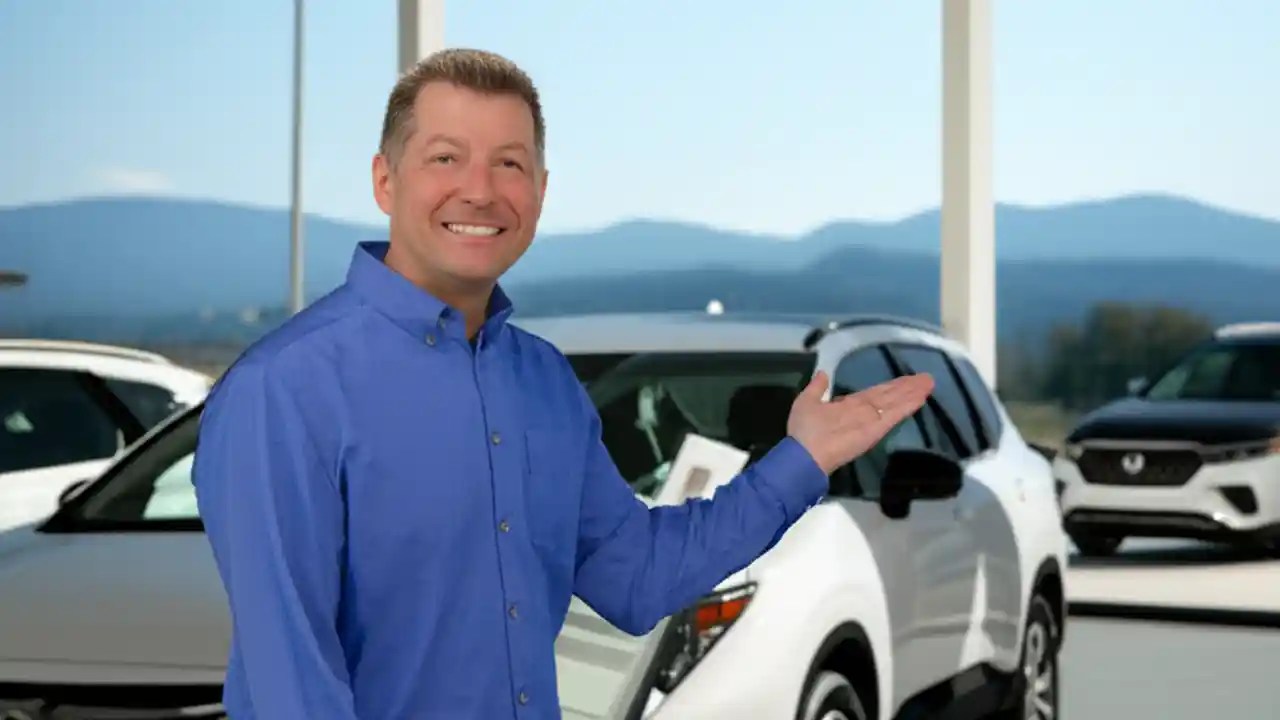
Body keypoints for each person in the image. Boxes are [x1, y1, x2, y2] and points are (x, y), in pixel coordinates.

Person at [192, 47, 935, 719]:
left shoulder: (543, 381)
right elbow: (295, 690)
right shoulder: (282, 392)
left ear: (541, 190)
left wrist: (799, 462)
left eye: (509, 164)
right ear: (386, 180)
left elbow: (637, 578)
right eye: (446, 158)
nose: (480, 191)